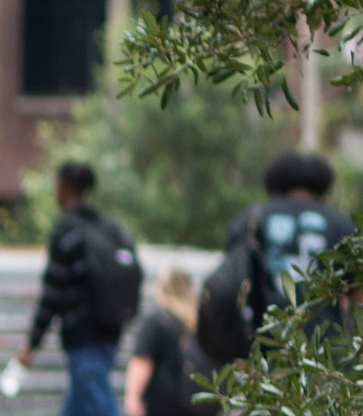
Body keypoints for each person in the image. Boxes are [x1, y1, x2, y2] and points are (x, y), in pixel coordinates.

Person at [19, 162, 130, 416]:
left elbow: (52, 292)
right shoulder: (108, 227)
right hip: (111, 330)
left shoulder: (67, 230)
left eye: (56, 184)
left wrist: (32, 343)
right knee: (78, 405)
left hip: (83, 334)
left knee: (100, 404)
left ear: (66, 187)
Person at [230, 153, 356, 323]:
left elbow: (229, 283)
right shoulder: (341, 225)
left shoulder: (250, 220)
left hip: (261, 340)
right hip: (324, 343)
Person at [122, 269, 216, 416]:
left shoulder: (156, 321)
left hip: (163, 404)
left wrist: (132, 399)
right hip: (198, 402)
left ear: (161, 289)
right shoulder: (201, 322)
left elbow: (142, 363)